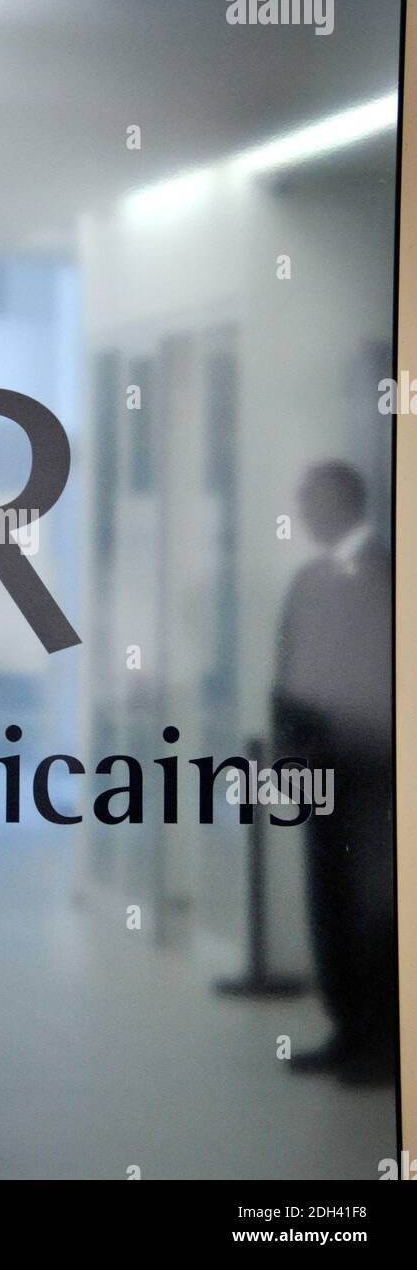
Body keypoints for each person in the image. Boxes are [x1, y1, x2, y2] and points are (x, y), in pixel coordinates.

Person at [273, 461, 395, 1085]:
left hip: (375, 771)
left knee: (376, 907)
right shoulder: (309, 580)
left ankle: (381, 1042)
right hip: (321, 769)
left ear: (350, 502)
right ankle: (347, 1029)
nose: (307, 512)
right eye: (303, 499)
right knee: (330, 901)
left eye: (316, 500)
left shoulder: (387, 575)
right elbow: (290, 673)